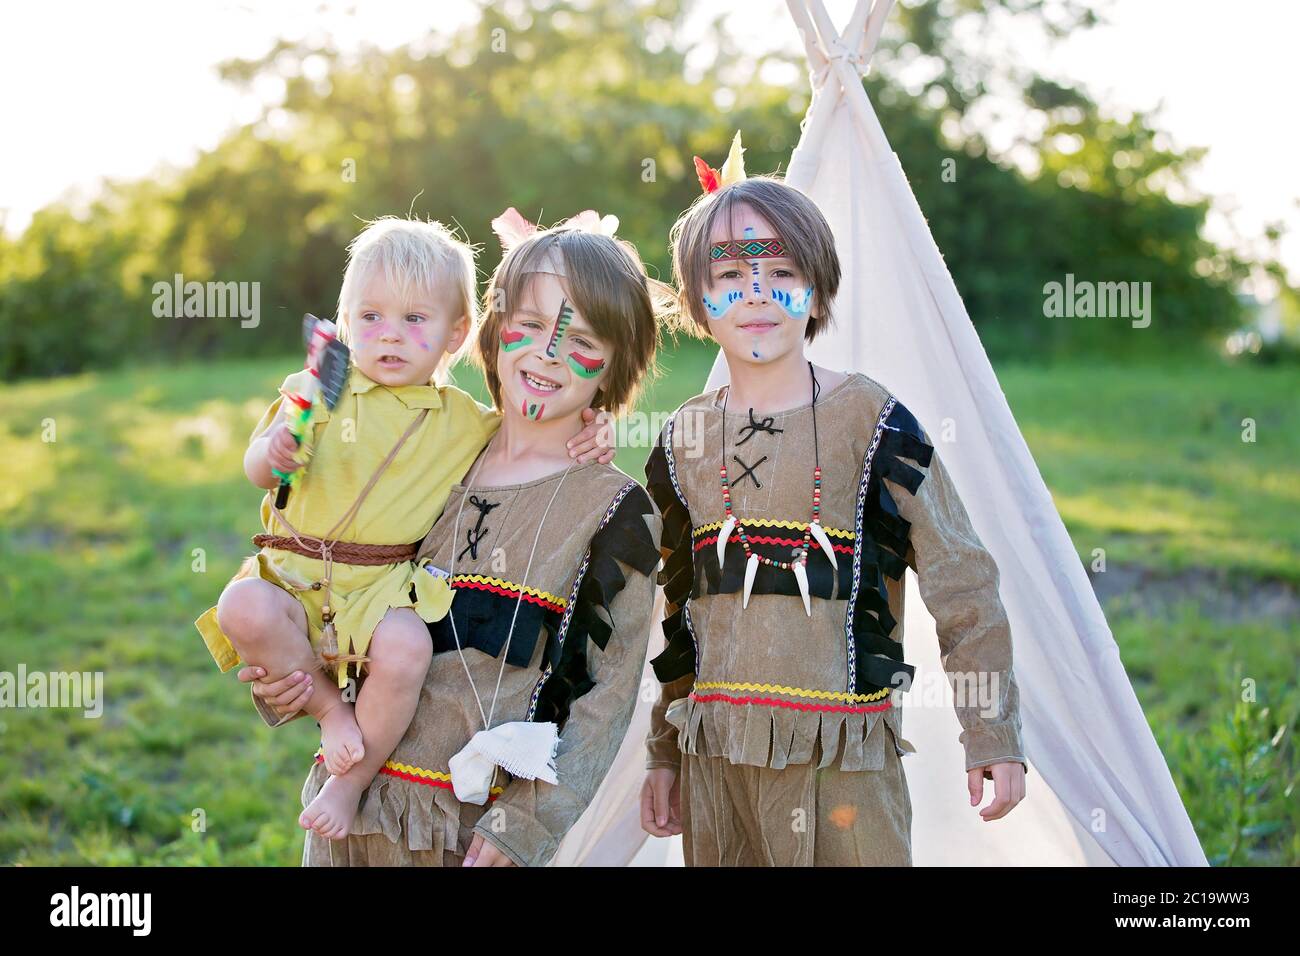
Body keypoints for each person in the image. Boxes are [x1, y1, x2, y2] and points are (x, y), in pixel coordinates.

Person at [639, 141, 1028, 866]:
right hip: (720, 764)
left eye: (782, 273)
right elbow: (679, 611)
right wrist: (665, 752)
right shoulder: (683, 439)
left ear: (816, 292)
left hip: (843, 768)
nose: (757, 294)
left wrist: (992, 732)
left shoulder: (876, 424)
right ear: (698, 299)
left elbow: (964, 585)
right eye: (729, 275)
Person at [241, 211, 667, 865]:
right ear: (491, 339)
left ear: (616, 363)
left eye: (580, 338)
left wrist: (523, 823)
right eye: (528, 328)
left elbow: (605, 698)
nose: (547, 354)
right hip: (351, 809)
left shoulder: (614, 513)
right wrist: (290, 675)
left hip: (466, 833)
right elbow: (335, 576)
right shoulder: (439, 452)